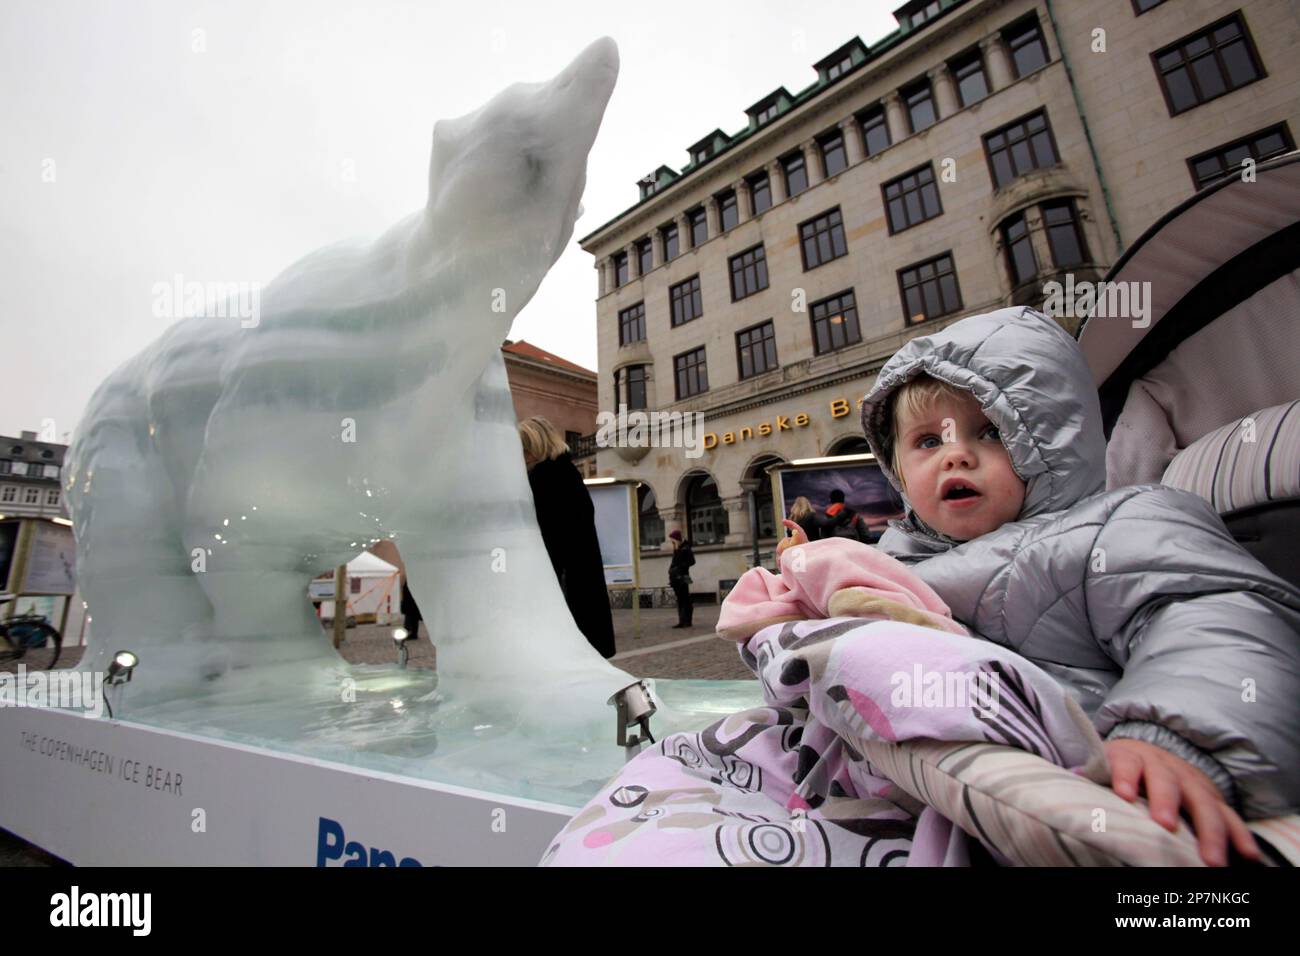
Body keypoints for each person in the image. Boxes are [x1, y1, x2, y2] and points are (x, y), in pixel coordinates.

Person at [852, 305, 1300, 866]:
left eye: (991, 431)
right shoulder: (892, 560)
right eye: (926, 442)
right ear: (896, 469)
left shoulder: (1118, 527)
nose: (956, 455)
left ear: (1052, 438)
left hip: (1070, 788)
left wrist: (1175, 734)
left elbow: (1216, 618)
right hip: (914, 785)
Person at [519, 417, 616, 659]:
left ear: (534, 447)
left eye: (523, 449)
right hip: (578, 582)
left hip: (565, 584)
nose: (520, 456)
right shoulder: (565, 473)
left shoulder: (546, 478)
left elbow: (552, 539)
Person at [667, 530, 695, 628]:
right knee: (680, 599)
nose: (672, 543)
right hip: (676, 577)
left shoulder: (685, 548)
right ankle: (682, 620)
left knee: (684, 599)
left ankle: (686, 621)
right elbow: (674, 561)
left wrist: (680, 567)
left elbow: (691, 561)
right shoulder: (678, 548)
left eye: (673, 541)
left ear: (677, 539)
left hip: (683, 577)